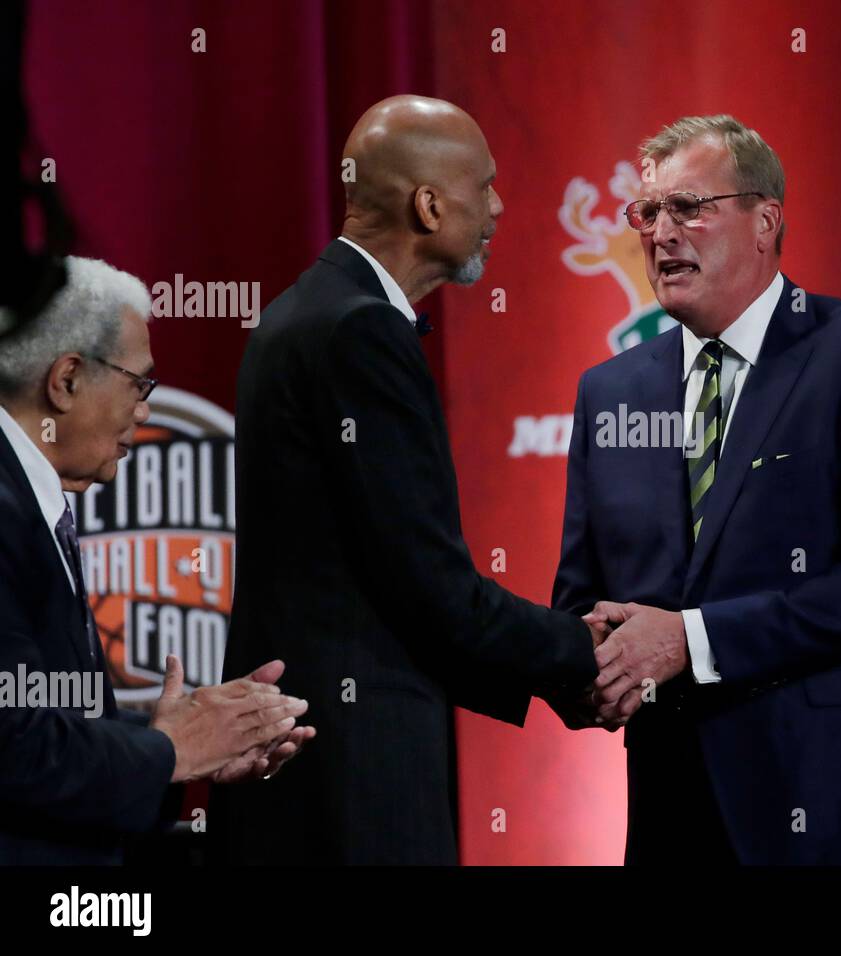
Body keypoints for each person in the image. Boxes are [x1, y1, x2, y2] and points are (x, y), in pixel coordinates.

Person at [552, 115, 841, 864]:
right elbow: (584, 595)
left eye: (689, 207)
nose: (660, 233)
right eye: (648, 212)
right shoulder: (609, 392)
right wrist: (586, 666)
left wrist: (691, 640)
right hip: (677, 816)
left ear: (765, 220)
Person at [213, 96, 601, 864]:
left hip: (306, 758)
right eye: (484, 186)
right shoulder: (360, 330)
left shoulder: (300, 310)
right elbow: (428, 584)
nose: (499, 206)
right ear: (428, 205)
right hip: (357, 775)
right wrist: (589, 656)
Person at [0, 256, 312, 865]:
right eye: (137, 384)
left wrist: (175, 750)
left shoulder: (32, 497)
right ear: (65, 380)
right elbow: (14, 744)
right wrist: (173, 751)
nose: (144, 411)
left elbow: (49, 735)